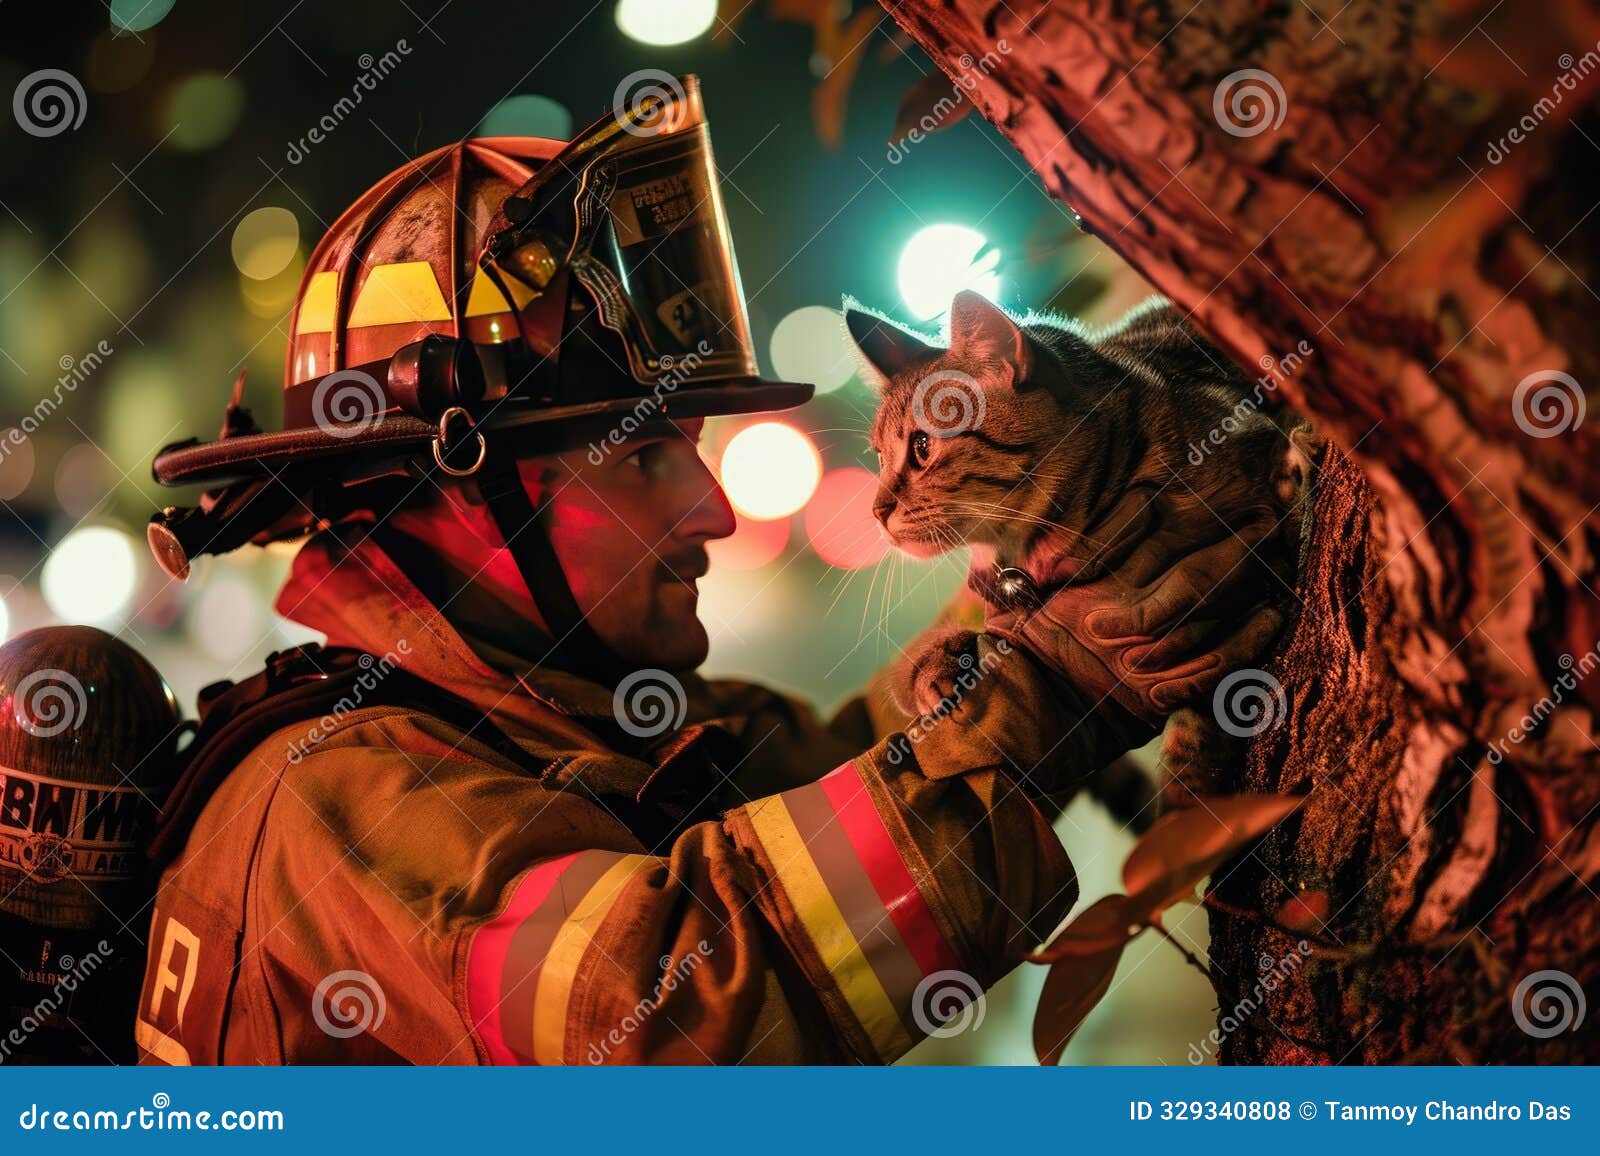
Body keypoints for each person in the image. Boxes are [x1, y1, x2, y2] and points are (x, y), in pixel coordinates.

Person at [134, 77, 1278, 1065]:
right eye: (642, 458)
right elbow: (680, 1019)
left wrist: (1036, 599)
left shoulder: (552, 714)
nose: (714, 510)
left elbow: (843, 766)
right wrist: (1061, 678)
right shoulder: (336, 796)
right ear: (450, 490)